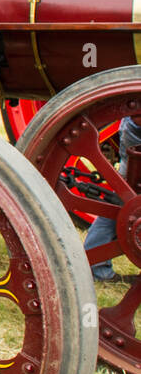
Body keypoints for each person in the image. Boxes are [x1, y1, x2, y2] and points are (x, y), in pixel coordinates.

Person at [83, 115, 140, 282]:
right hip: (137, 129)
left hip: (133, 126)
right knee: (125, 199)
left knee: (124, 199)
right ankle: (96, 266)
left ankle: (95, 264)